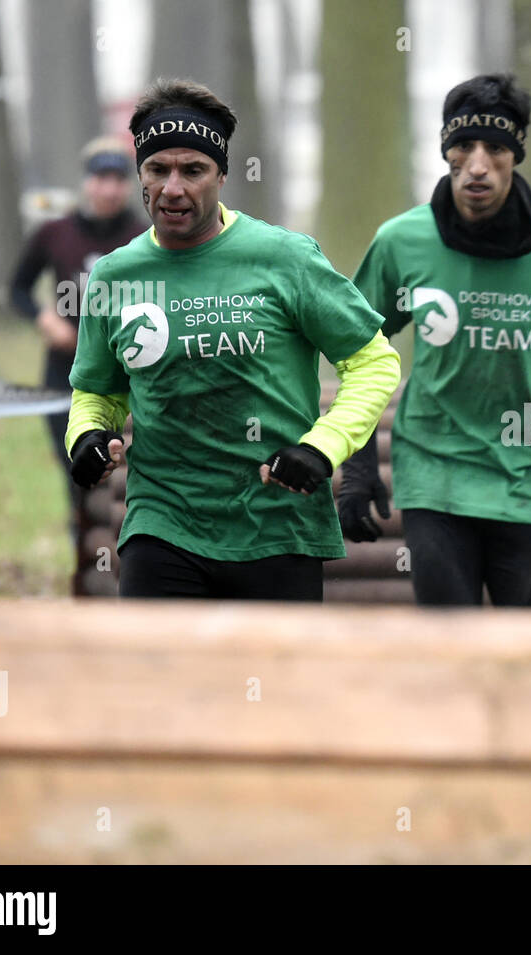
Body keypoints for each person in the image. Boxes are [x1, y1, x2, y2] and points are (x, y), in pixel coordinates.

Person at [65, 78, 400, 600]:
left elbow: (374, 363)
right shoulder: (115, 275)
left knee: (274, 683)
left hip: (277, 524)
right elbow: (98, 391)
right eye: (158, 169)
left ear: (221, 174)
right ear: (140, 175)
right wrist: (84, 435)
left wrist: (322, 448)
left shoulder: (285, 258)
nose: (173, 188)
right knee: (159, 679)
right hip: (163, 523)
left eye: (193, 170)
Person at [344, 73, 531, 607]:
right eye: (463, 146)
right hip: (434, 473)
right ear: (445, 151)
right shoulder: (402, 242)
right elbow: (356, 345)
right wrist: (357, 464)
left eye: (495, 148)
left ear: (516, 155)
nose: (477, 165)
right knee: (450, 650)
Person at [9, 138, 146, 565]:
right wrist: (44, 320)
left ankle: (132, 558)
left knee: (125, 470)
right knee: (80, 468)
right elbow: (17, 290)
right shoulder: (54, 233)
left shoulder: (144, 235)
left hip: (129, 376)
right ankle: (87, 562)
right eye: (101, 178)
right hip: (63, 375)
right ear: (87, 182)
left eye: (118, 180)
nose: (109, 189)